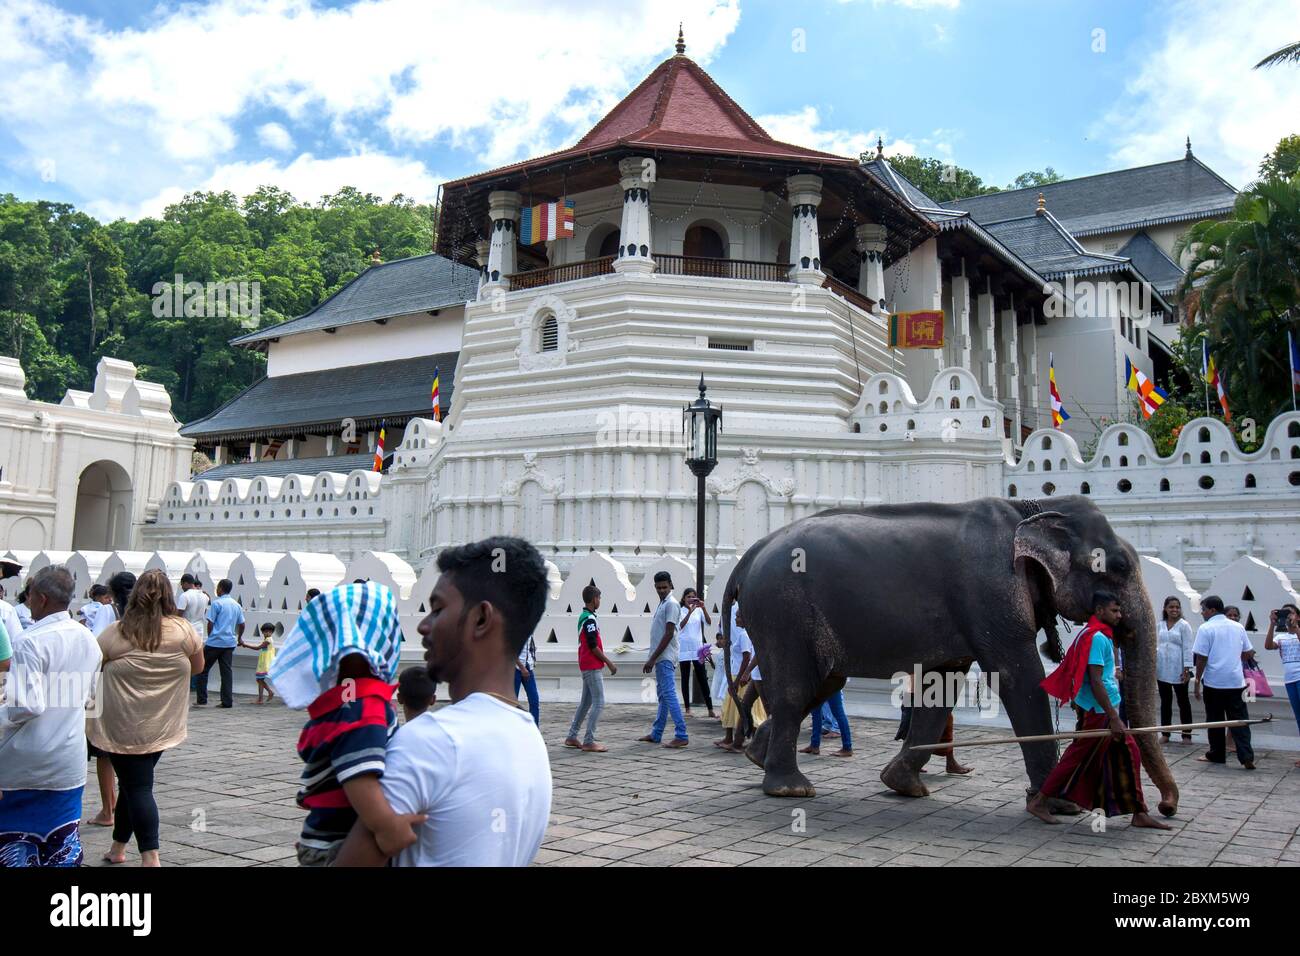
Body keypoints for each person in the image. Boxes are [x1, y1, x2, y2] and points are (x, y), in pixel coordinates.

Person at [335, 537, 553, 867]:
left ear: (481, 619)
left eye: (437, 610)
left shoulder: (431, 741)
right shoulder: (531, 740)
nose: (423, 625)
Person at [268, 582, 418, 867]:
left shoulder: (334, 704)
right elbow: (358, 775)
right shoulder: (365, 705)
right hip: (342, 843)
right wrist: (387, 827)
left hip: (321, 838)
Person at [89, 569, 206, 867]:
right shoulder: (183, 631)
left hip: (122, 724)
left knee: (137, 786)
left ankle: (150, 856)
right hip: (161, 723)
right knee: (134, 784)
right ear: (169, 596)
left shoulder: (118, 631)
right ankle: (117, 847)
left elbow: (93, 666)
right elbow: (197, 668)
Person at [1027, 591, 1170, 830]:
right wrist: (1114, 717)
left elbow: (1096, 674)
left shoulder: (1095, 635)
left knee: (1127, 755)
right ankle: (1040, 801)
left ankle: (1139, 811)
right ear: (1100, 611)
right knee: (1077, 757)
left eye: (1120, 611)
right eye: (1114, 610)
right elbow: (1095, 679)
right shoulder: (1097, 638)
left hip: (1099, 708)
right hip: (1099, 711)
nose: (1119, 615)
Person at [0, 566, 104, 866]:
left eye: (30, 595)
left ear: (41, 598)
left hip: (25, 762)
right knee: (60, 846)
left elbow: (27, 705)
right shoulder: (88, 639)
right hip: (68, 758)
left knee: (15, 845)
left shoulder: (30, 641)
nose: (28, 601)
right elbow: (91, 699)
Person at [1193, 594, 1255, 769]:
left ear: (1212, 610)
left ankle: (1217, 753)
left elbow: (1201, 658)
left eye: (1203, 610)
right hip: (1236, 681)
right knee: (1240, 720)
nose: (1202, 613)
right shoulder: (1238, 627)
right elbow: (1248, 652)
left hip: (1214, 682)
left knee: (1215, 720)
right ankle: (1246, 755)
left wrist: (1197, 680)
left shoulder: (1206, 628)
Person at [564, 584, 618, 752]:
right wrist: (609, 662)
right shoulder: (589, 619)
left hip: (586, 664)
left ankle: (572, 736)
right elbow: (593, 646)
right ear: (595, 599)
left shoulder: (585, 616)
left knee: (586, 702)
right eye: (599, 598)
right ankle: (589, 739)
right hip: (592, 665)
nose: (600, 601)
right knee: (599, 702)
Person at [638, 571, 688, 748]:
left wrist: (652, 658)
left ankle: (681, 733)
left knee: (668, 694)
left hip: (665, 656)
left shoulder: (672, 604)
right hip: (661, 656)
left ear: (671, 585)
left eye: (664, 587)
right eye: (658, 587)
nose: (661, 590)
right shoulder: (663, 603)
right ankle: (657, 733)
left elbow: (668, 633)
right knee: (663, 696)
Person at [716, 598, 766, 752]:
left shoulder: (745, 635)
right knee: (742, 707)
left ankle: (759, 742)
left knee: (754, 710)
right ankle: (738, 741)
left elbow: (747, 656)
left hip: (748, 676)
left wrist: (742, 675)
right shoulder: (748, 633)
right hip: (748, 675)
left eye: (738, 617)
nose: (735, 619)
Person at [197, 578, 244, 708]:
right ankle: (227, 701)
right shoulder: (236, 605)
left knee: (203, 669)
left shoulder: (217, 604)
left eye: (217, 587)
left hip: (215, 642)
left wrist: (211, 635)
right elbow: (242, 624)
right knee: (226, 672)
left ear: (221, 588)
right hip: (229, 643)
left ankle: (202, 699)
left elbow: (210, 622)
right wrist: (239, 638)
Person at [1265, 603, 1300, 768]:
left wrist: (1296, 627)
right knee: (1299, 717)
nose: (1288, 617)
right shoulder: (1281, 636)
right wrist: (1272, 623)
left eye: (1291, 613)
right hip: (1290, 679)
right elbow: (1268, 646)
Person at [1156, 596, 1195, 742]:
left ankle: (1187, 734)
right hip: (1162, 668)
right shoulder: (1160, 625)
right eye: (1171, 607)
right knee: (1165, 702)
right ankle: (1165, 733)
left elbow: (1188, 648)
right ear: (1165, 609)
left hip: (1179, 669)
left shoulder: (1184, 625)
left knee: (1183, 702)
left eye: (1177, 607)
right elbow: (1157, 644)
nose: (1174, 610)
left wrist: (1186, 669)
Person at [677, 588, 714, 719]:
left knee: (702, 678)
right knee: (685, 678)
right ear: (684, 599)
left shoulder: (699, 611)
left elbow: (709, 622)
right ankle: (687, 708)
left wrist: (703, 608)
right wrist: (689, 612)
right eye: (688, 597)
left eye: (693, 597)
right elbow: (680, 626)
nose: (690, 599)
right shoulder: (680, 610)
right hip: (684, 648)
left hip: (698, 648)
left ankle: (710, 709)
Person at [801, 688, 853, 758]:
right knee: (817, 711)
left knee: (837, 712)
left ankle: (847, 747)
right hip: (829, 682)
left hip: (829, 682)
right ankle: (814, 745)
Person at [241, 622, 277, 704]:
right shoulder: (267, 639)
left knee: (259, 679)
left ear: (272, 632)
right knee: (260, 679)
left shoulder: (268, 640)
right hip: (264, 661)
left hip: (266, 662)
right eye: (266, 631)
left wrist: (245, 645)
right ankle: (260, 699)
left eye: (269, 632)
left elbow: (258, 648)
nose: (267, 633)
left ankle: (269, 691)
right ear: (263, 632)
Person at [514, 630, 540, 727]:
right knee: (512, 702)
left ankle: (534, 731)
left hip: (528, 667)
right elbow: (511, 651)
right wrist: (522, 668)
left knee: (534, 700)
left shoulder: (529, 628)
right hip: (516, 668)